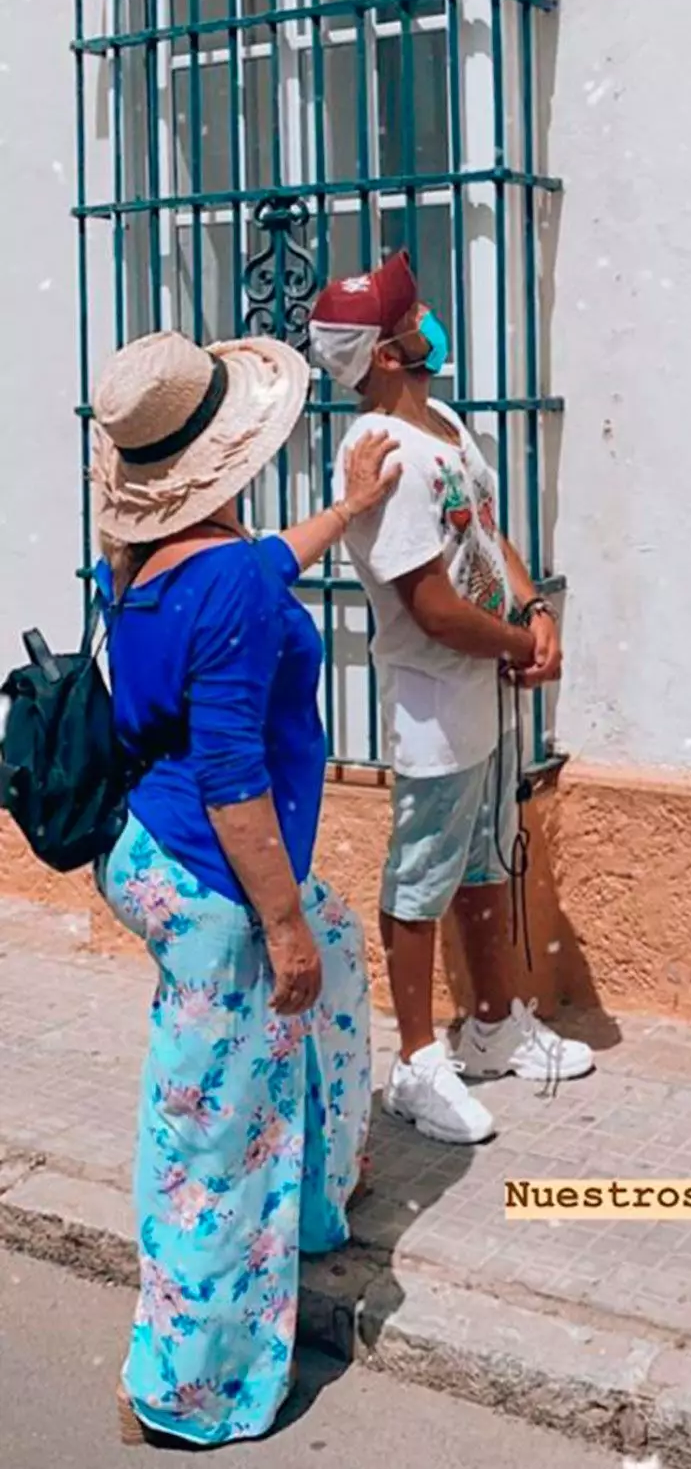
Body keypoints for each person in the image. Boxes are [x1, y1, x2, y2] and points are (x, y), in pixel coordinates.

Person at [90, 328, 400, 1448]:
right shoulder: (226, 586)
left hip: (148, 855)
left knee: (337, 951)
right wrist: (278, 927)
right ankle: (181, 1390)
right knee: (209, 1142)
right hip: (218, 880)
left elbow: (263, 561)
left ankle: (319, 1197)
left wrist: (350, 508)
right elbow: (231, 779)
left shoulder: (149, 562)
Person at [308, 251, 593, 1147]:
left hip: (484, 689)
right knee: (420, 876)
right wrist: (516, 644)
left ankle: (494, 1022)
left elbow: (487, 531)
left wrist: (532, 610)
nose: (429, 316)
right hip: (436, 701)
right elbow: (429, 605)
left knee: (480, 861)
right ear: (388, 353)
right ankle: (418, 1061)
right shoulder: (380, 457)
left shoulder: (446, 426)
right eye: (413, 312)